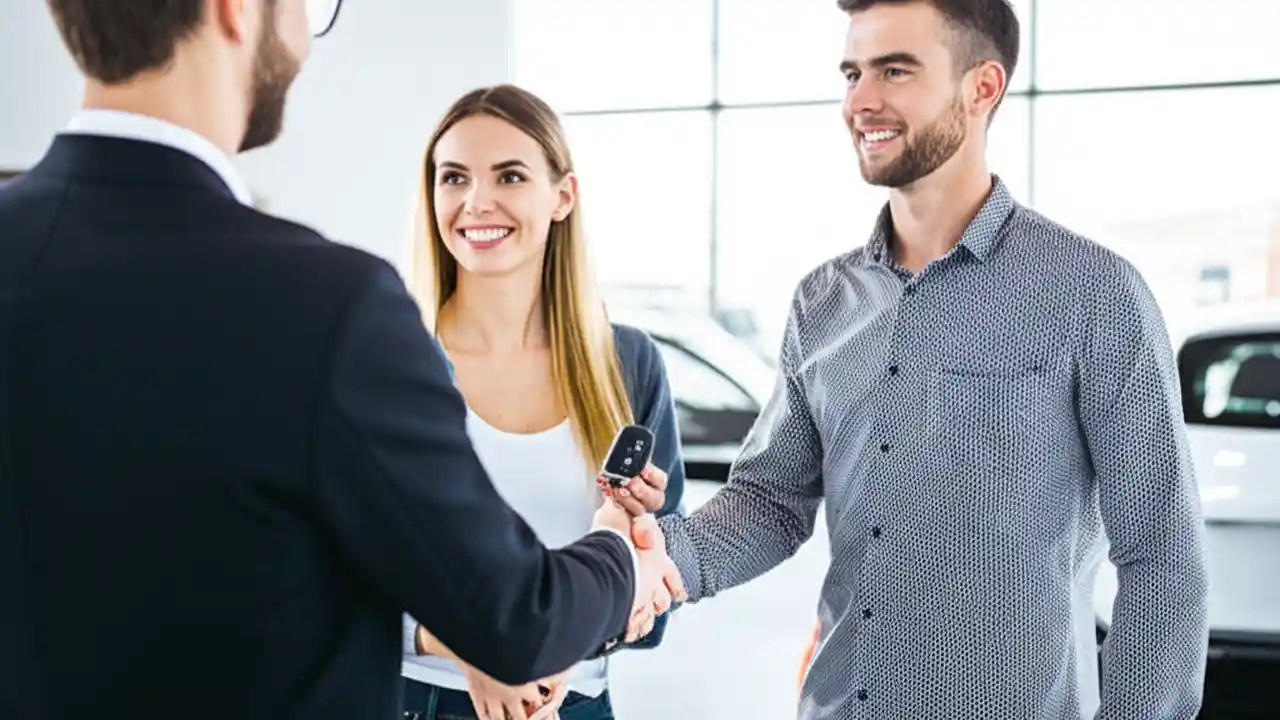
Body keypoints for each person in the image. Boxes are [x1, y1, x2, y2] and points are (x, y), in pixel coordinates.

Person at [0, 2, 678, 718]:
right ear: (235, 10)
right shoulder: (329, 307)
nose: (304, 33)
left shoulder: (623, 360)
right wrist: (617, 552)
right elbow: (514, 616)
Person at [621, 0, 1210, 717]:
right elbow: (770, 503)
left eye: (895, 71)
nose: (860, 101)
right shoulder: (823, 301)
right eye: (852, 73)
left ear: (982, 87)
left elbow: (1162, 561)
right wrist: (660, 556)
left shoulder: (1093, 294)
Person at [397, 84, 686, 720]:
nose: (477, 202)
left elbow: (659, 600)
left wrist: (566, 642)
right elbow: (333, 584)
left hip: (573, 705)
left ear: (563, 197)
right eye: (454, 178)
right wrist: (479, 648)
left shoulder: (628, 366)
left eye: (509, 175)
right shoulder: (390, 361)